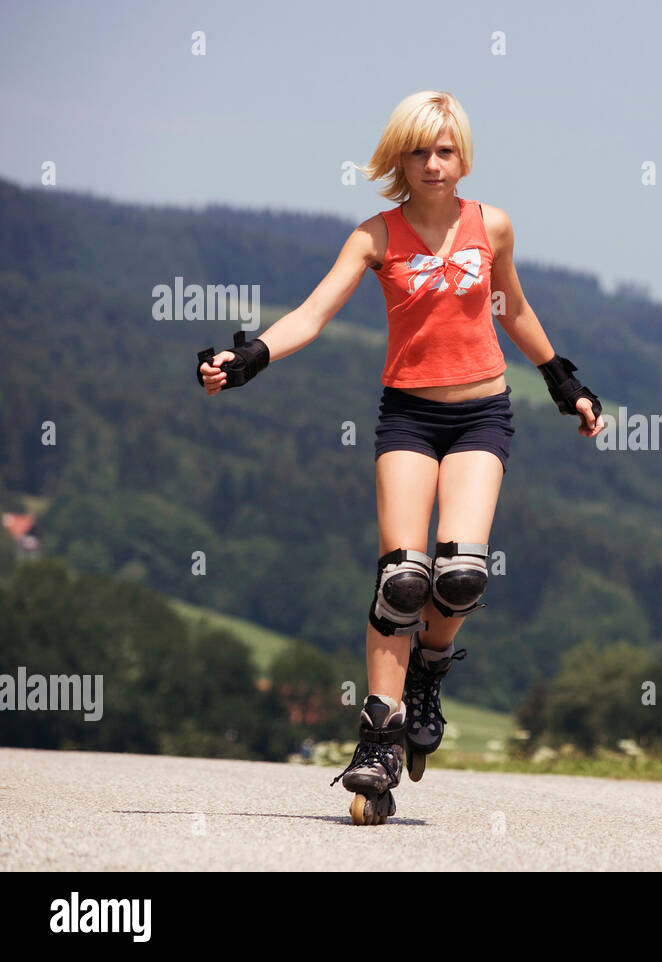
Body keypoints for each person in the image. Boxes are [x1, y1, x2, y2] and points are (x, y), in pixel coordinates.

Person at [196, 90, 604, 824]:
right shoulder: (374, 236)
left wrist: (564, 383)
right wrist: (248, 356)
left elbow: (513, 309)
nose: (433, 164)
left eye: (445, 150)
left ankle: (431, 671)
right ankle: (379, 739)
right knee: (404, 579)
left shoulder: (493, 227)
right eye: (419, 151)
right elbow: (315, 314)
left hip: (483, 413)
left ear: (463, 156)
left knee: (462, 572)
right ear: (399, 158)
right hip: (409, 418)